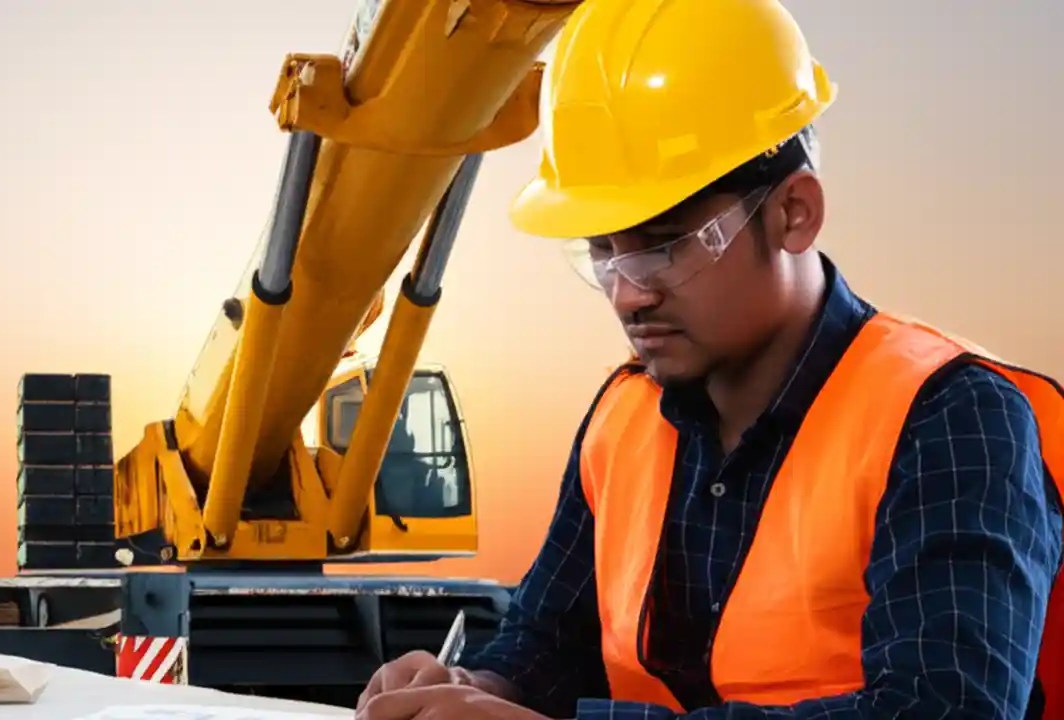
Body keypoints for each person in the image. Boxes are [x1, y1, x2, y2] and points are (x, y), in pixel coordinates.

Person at [354, 0, 1064, 718]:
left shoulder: (951, 418)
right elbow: (546, 642)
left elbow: (944, 707)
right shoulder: (622, 419)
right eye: (601, 251)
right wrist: (479, 687)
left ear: (794, 212)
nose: (628, 295)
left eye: (665, 245)